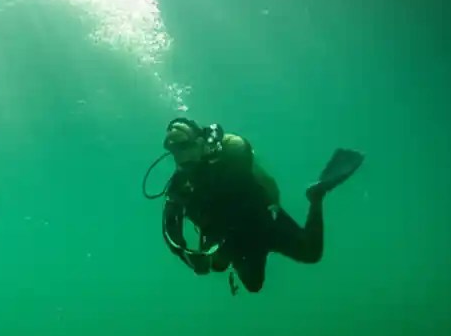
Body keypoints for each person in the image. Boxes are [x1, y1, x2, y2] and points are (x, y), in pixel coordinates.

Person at [143, 118, 365, 294]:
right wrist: (186, 255)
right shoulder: (179, 184)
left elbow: (239, 199)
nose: (181, 156)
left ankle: (316, 196)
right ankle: (229, 259)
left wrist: (215, 249)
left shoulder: (232, 153)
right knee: (253, 286)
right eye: (174, 151)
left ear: (201, 142)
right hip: (230, 239)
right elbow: (170, 227)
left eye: (185, 146)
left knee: (311, 253)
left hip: (263, 220)